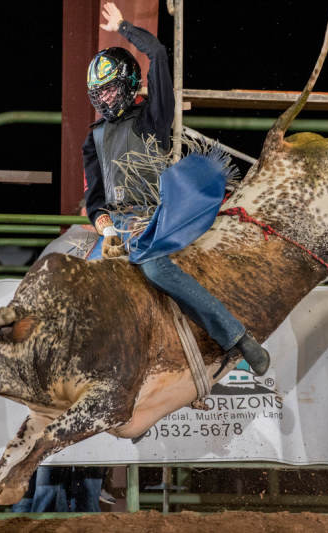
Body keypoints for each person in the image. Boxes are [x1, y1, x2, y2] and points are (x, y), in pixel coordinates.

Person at [83, 2, 269, 375]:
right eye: (99, 93)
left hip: (156, 218)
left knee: (154, 269)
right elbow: (95, 199)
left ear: (129, 85)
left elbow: (157, 53)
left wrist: (123, 27)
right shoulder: (95, 137)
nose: (105, 99)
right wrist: (106, 231)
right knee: (83, 279)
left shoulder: (153, 117)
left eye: (111, 90)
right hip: (118, 228)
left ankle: (236, 336)